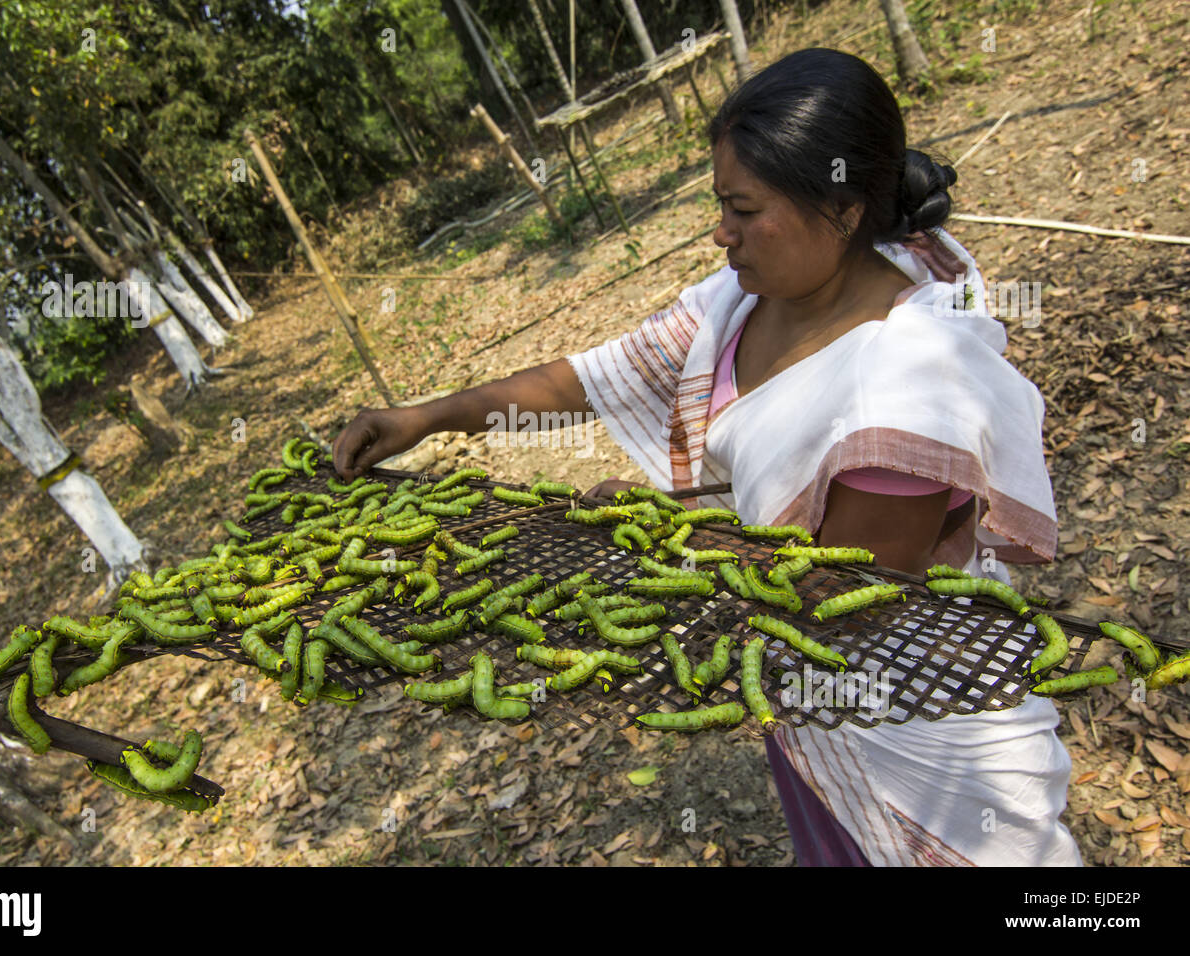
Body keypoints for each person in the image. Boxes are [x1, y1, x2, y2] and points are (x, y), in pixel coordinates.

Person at [333, 48, 1082, 866]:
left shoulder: (906, 390)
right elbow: (586, 377)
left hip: (915, 732)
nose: (721, 233)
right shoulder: (737, 306)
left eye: (743, 208)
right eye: (720, 204)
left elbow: (847, 595)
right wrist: (430, 416)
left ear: (842, 209)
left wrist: (660, 530)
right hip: (802, 702)